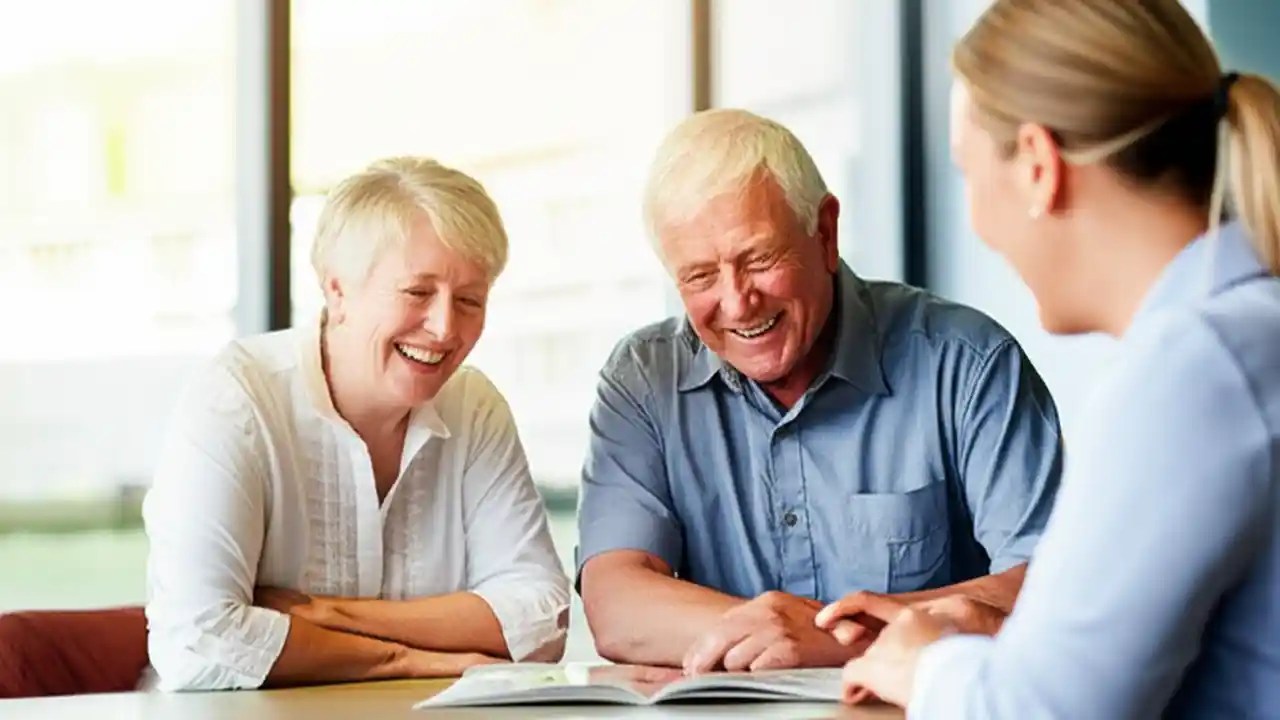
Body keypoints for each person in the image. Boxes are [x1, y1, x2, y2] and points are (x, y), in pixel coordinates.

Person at [817, 1, 1280, 716]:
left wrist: (928, 665)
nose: (973, 216)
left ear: (1037, 165)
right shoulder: (1242, 333)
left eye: (968, 173)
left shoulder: (1194, 368)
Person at [576, 108, 1064, 673]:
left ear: (825, 231)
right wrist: (779, 634)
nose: (737, 303)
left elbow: (1047, 582)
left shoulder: (967, 363)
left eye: (759, 259)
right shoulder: (643, 381)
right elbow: (615, 603)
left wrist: (832, 638)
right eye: (700, 276)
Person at [144, 157, 570, 691]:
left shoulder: (475, 406)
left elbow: (540, 618)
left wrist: (327, 615)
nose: (444, 328)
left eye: (469, 300)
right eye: (417, 292)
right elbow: (197, 641)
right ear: (337, 291)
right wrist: (409, 660)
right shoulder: (236, 399)